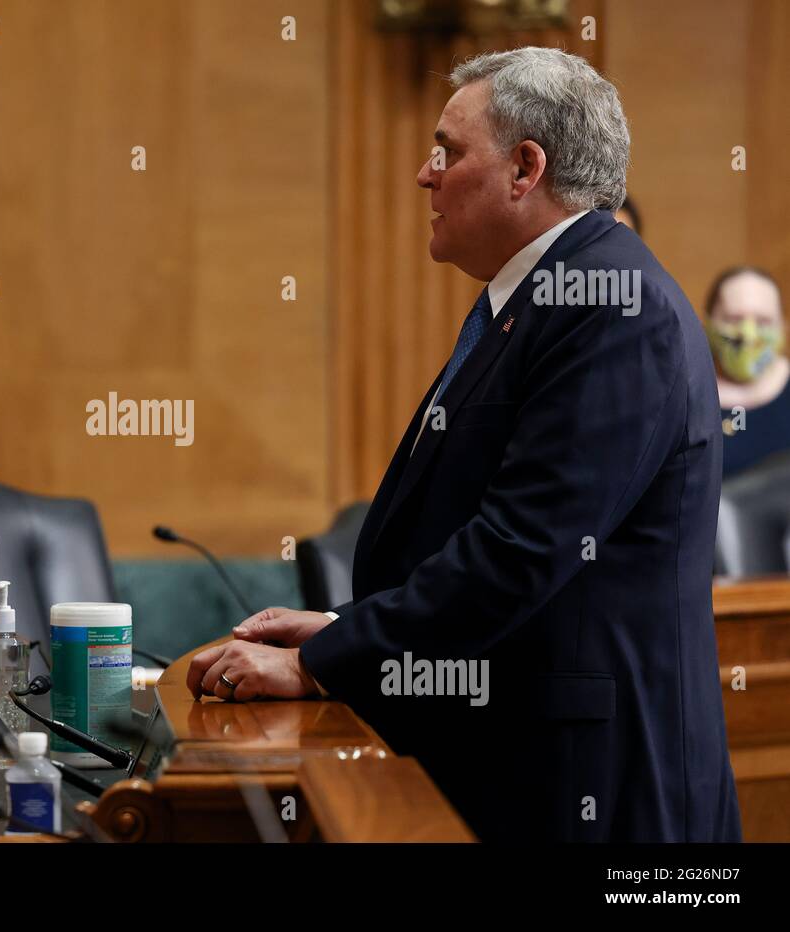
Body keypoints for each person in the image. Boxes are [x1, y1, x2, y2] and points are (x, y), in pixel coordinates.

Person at [188, 47, 741, 842]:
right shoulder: (546, 298)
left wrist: (325, 661)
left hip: (598, 793)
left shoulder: (613, 306)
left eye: (448, 150)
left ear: (525, 168)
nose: (424, 172)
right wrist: (347, 626)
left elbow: (520, 549)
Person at [704, 266, 790, 478]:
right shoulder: (683, 395)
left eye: (763, 322)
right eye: (734, 319)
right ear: (707, 323)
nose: (748, 334)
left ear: (783, 326)